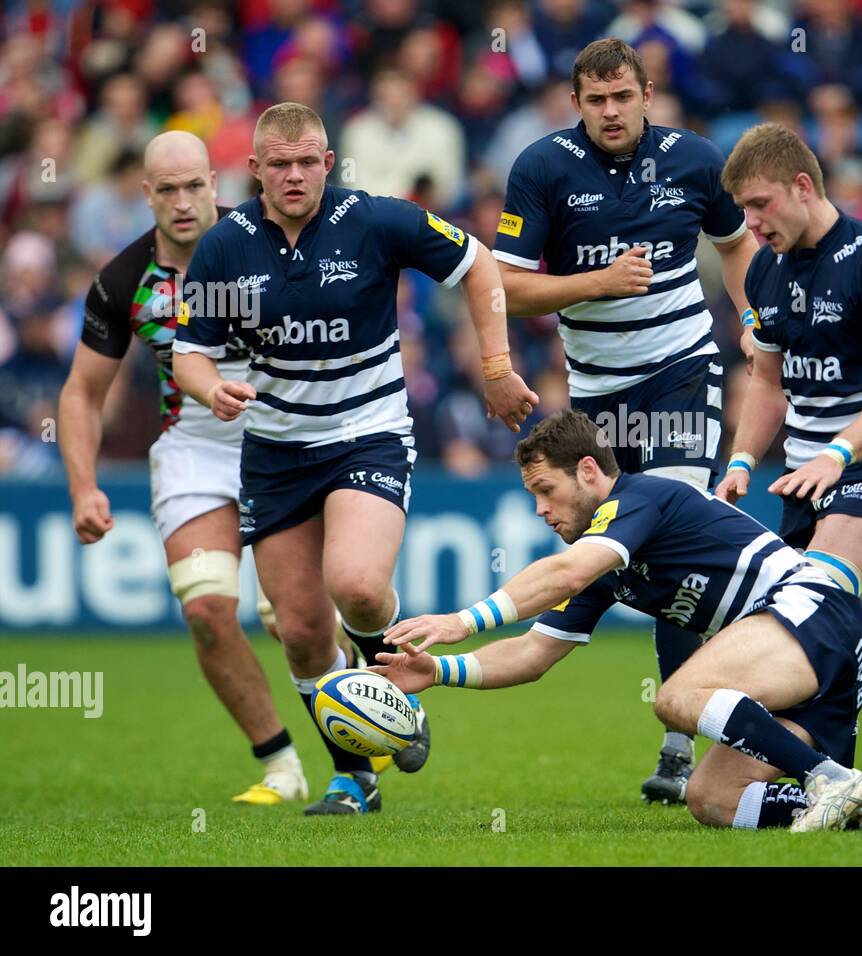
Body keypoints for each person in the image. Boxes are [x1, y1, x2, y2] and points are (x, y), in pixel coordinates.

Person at [173, 102, 537, 815]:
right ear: (254, 171)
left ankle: (393, 689)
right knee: (304, 632)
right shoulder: (226, 244)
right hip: (276, 453)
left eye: (308, 161)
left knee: (359, 589)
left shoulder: (374, 219)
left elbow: (479, 264)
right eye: (278, 164)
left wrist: (495, 364)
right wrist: (211, 385)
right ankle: (355, 775)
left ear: (329, 163)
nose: (295, 175)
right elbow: (188, 352)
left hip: (368, 435)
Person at [372, 409, 862, 833]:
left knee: (678, 695)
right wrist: (439, 670)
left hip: (810, 608)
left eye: (545, 491)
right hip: (796, 662)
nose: (540, 510)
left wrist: (463, 619)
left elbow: (562, 574)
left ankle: (829, 778)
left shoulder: (637, 500)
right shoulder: (598, 559)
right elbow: (532, 653)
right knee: (711, 800)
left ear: (587, 471)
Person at [492, 38, 760, 803]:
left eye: (623, 97)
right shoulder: (543, 167)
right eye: (595, 100)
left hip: (682, 377)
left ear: (648, 93)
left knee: (667, 543)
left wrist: (751, 318)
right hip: (595, 398)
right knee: (623, 558)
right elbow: (507, 286)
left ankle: (679, 742)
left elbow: (737, 242)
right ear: (576, 103)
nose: (611, 112)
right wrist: (600, 282)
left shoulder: (695, 158)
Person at [57, 131, 312, 805]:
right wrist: (83, 488)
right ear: (146, 195)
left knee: (297, 618)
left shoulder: (269, 240)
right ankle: (282, 767)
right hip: (193, 446)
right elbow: (82, 393)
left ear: (216, 183)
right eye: (166, 190)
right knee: (205, 609)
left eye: (194, 185)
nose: (181, 202)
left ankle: (367, 709)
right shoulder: (121, 282)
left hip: (282, 436)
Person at [713, 122, 862, 761]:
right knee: (806, 627)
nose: (752, 222)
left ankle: (834, 778)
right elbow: (766, 382)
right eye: (742, 210)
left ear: (802, 186)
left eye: (760, 204)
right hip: (804, 476)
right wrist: (741, 460)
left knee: (814, 605)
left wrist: (838, 452)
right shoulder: (765, 272)